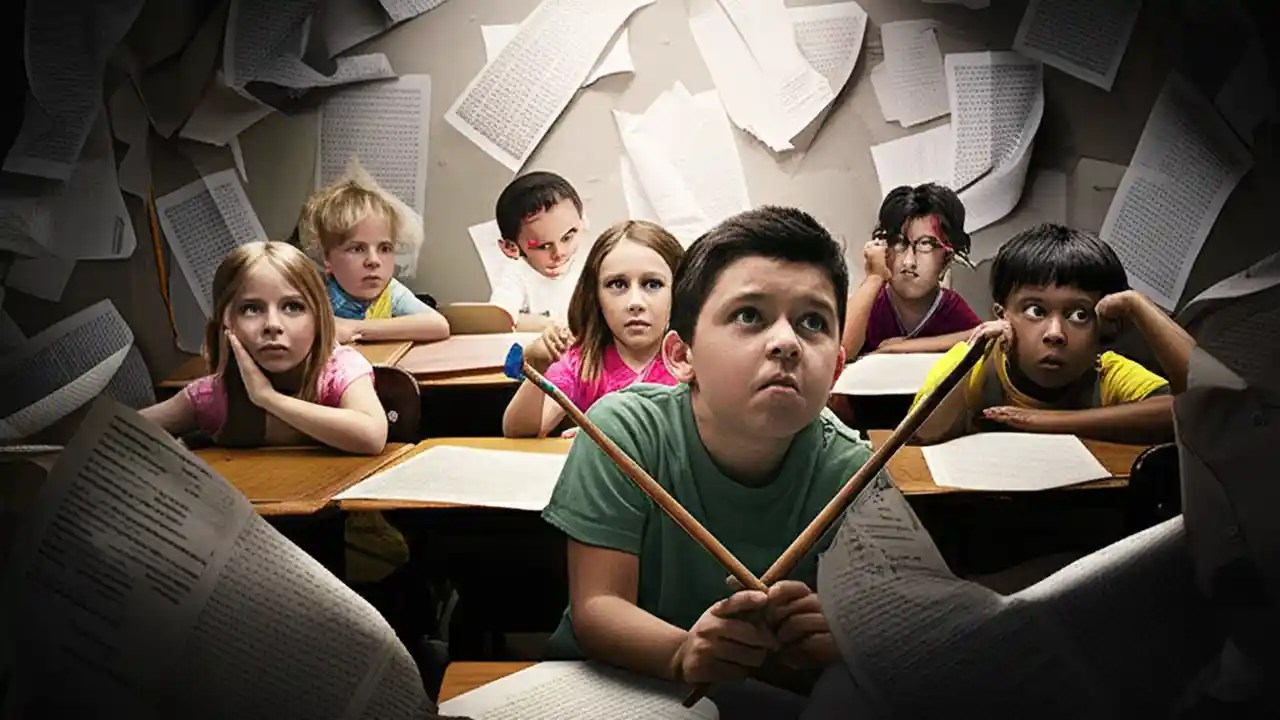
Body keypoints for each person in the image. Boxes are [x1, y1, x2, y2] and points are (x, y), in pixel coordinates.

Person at [541, 206, 875, 693]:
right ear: (681, 355)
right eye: (749, 315)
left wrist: (838, 636)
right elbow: (596, 608)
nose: (786, 342)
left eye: (812, 323)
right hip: (614, 688)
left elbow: (877, 631)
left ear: (837, 368)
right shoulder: (623, 432)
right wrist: (681, 653)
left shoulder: (854, 471)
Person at [912, 223, 1193, 445]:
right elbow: (925, 432)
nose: (1055, 334)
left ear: (1103, 328)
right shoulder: (975, 360)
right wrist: (974, 356)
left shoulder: (1106, 372)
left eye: (1080, 315)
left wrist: (1136, 304)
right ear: (1002, 316)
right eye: (1035, 311)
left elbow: (1200, 407)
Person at [141, 241, 387, 454]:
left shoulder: (338, 370)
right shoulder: (214, 396)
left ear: (318, 318)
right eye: (251, 309)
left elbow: (371, 436)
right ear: (227, 323)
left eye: (292, 307)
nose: (272, 325)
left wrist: (267, 398)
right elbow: (120, 430)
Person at [502, 221, 683, 438]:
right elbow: (519, 432)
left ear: (679, 291)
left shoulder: (696, 359)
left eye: (652, 284)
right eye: (617, 284)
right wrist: (536, 371)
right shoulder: (581, 362)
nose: (635, 302)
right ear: (595, 296)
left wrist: (614, 436)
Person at [298, 177, 449, 344]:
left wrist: (354, 328)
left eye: (384, 249)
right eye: (357, 249)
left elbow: (439, 325)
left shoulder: (391, 293)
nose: (373, 261)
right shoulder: (317, 296)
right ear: (327, 258)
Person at [842, 184, 980, 358]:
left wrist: (902, 346)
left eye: (925, 244)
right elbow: (839, 352)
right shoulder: (871, 304)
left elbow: (984, 337)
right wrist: (875, 276)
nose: (909, 262)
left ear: (946, 259)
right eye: (899, 242)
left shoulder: (951, 309)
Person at [489, 171, 587, 367]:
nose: (559, 253)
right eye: (543, 246)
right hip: (541, 369)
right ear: (511, 247)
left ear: (582, 223)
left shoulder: (592, 263)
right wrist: (552, 325)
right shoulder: (516, 272)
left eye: (567, 237)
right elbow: (499, 319)